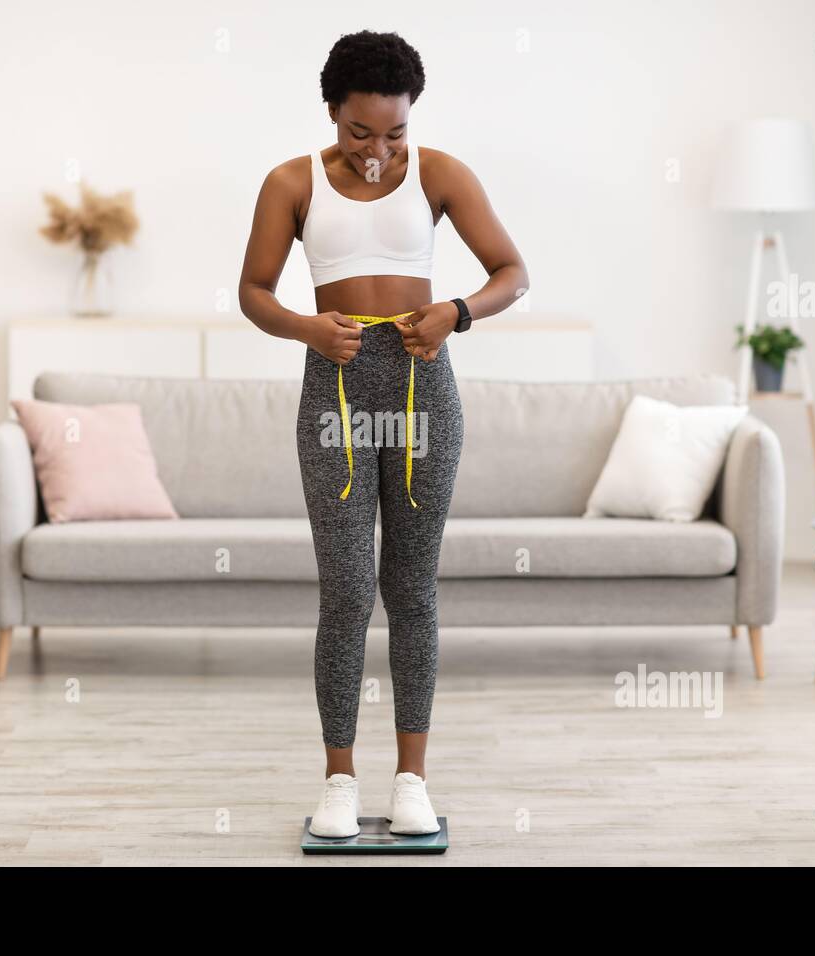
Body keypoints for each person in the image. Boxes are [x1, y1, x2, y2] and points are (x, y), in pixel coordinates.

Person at [239, 29, 530, 838]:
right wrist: (305, 327)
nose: (377, 152)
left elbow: (513, 272)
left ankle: (411, 780)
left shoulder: (440, 174)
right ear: (332, 115)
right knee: (345, 589)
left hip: (419, 386)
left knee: (411, 589)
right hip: (333, 386)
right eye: (359, 133)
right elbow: (254, 291)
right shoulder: (290, 183)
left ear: (412, 118)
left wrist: (456, 313)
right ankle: (338, 780)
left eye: (394, 133)